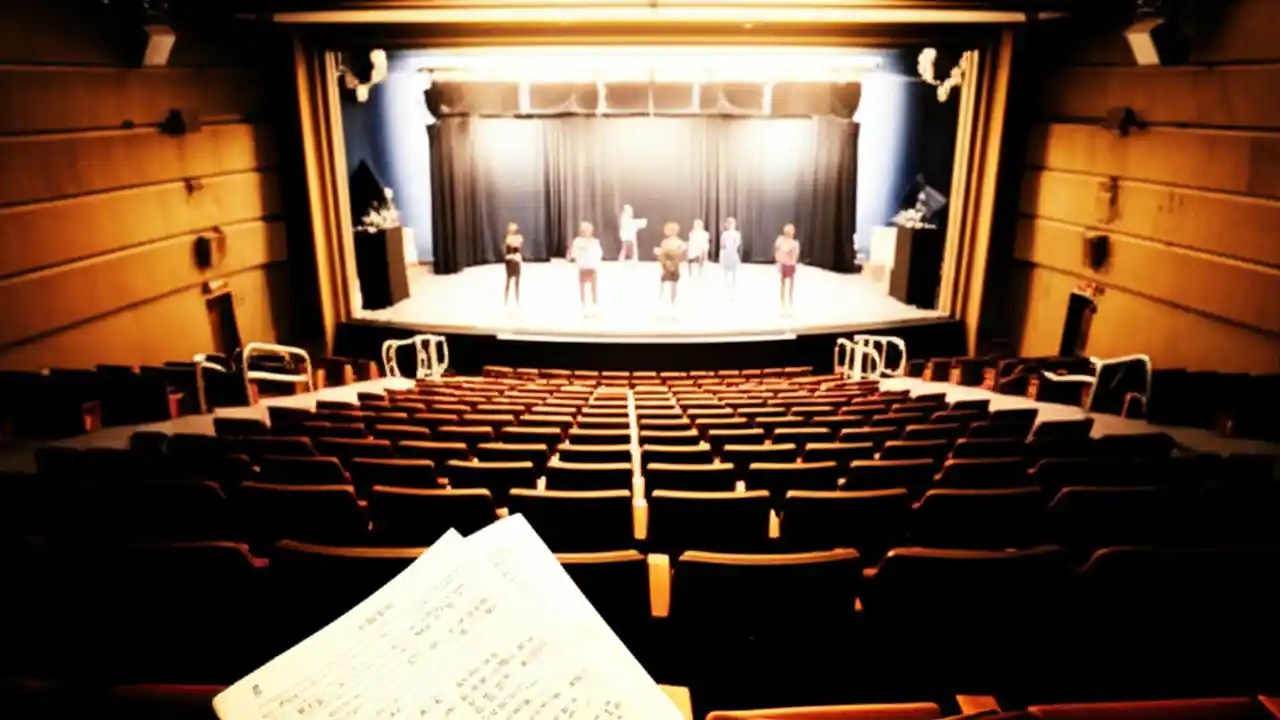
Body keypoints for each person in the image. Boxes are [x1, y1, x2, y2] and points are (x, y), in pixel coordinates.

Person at [570, 221, 603, 314]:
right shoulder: (578, 242)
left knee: (593, 287)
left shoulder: (594, 242)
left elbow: (599, 253)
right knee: (584, 287)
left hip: (591, 267)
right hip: (584, 267)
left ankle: (593, 303)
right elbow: (575, 253)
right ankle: (584, 303)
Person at [654, 221, 686, 309]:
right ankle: (672, 301)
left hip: (668, 265)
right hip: (673, 265)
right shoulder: (679, 242)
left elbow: (662, 254)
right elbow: (681, 253)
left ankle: (662, 299)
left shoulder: (665, 242)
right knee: (673, 284)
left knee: (665, 282)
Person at [774, 222, 800, 312]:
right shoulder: (781, 240)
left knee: (787, 284)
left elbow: (795, 255)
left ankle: (789, 301)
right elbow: (777, 251)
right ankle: (785, 301)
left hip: (789, 264)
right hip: (785, 264)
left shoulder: (794, 243)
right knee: (784, 283)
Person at [502, 221, 524, 306]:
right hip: (509, 260)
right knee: (508, 280)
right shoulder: (507, 238)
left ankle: (516, 299)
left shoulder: (519, 238)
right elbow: (505, 251)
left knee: (516, 281)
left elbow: (519, 247)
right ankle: (506, 300)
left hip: (516, 260)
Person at [719, 216, 742, 289]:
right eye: (728, 223)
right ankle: (726, 277)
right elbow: (722, 242)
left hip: (733, 251)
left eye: (731, 224)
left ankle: (734, 278)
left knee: (733, 265)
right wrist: (724, 247)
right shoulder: (724, 233)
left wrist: (733, 248)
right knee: (726, 265)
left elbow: (737, 242)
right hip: (726, 251)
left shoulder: (736, 233)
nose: (729, 225)